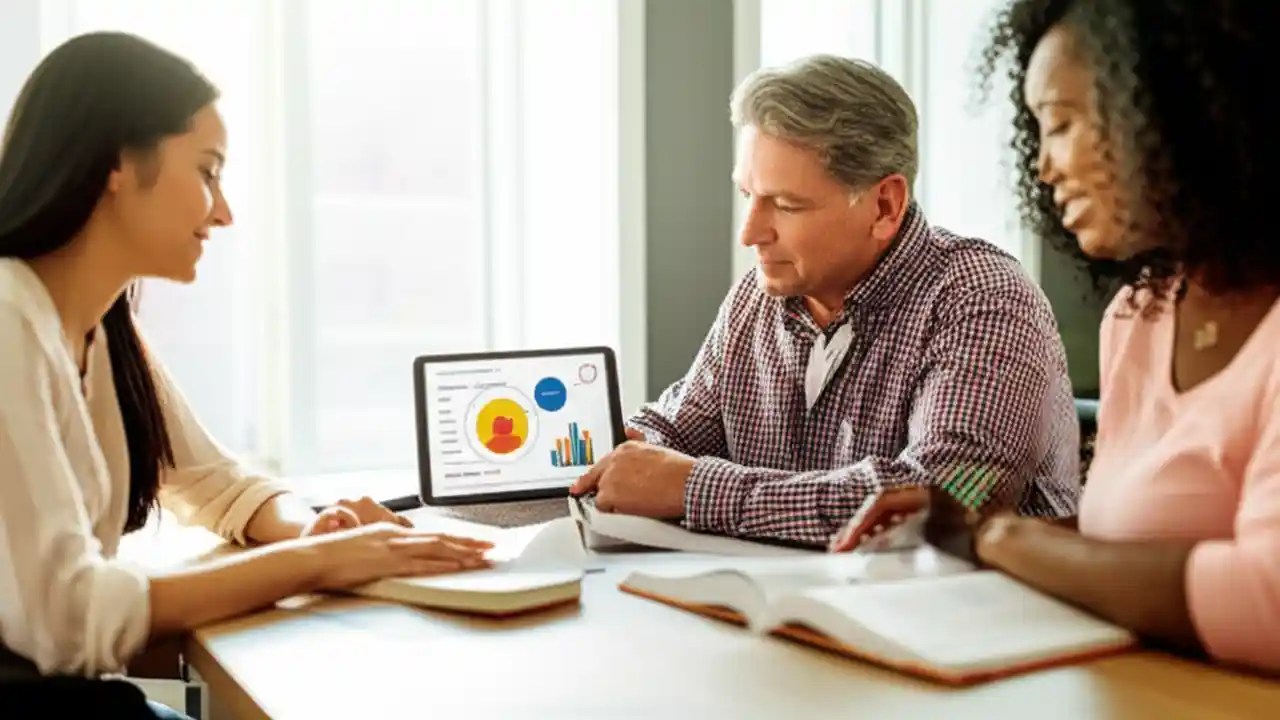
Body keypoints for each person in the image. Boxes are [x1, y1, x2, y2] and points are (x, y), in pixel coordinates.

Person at [0, 32, 493, 714]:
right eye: (207, 172)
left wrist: (317, 529)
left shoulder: (101, 328)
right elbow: (68, 620)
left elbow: (215, 484)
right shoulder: (8, 324)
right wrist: (317, 563)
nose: (224, 212)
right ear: (117, 162)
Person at [842, 0, 1279, 674]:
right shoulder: (1141, 316)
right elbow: (1113, 537)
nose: (1044, 169)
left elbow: (1265, 602)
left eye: (1064, 124)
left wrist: (994, 531)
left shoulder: (982, 293)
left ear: (1172, 113)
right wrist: (951, 511)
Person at [572, 55, 1081, 547]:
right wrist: (626, 450)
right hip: (795, 606)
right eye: (747, 195)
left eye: (787, 205)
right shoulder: (759, 296)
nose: (749, 233)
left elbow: (948, 494)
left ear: (885, 205)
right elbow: (678, 427)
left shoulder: (984, 298)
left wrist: (694, 488)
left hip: (966, 619)